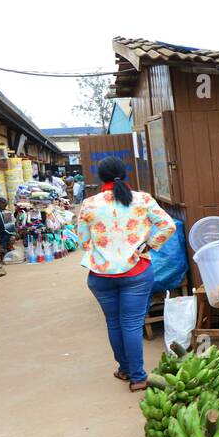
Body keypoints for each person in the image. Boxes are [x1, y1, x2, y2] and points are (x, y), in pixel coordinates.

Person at [77, 156, 176, 391]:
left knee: (114, 323)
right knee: (131, 324)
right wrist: (148, 246)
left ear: (101, 178)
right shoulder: (142, 200)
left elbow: (83, 240)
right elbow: (168, 226)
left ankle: (124, 369)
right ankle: (138, 378)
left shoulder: (90, 204)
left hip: (100, 275)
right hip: (137, 272)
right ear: (124, 174)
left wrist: (104, 252)